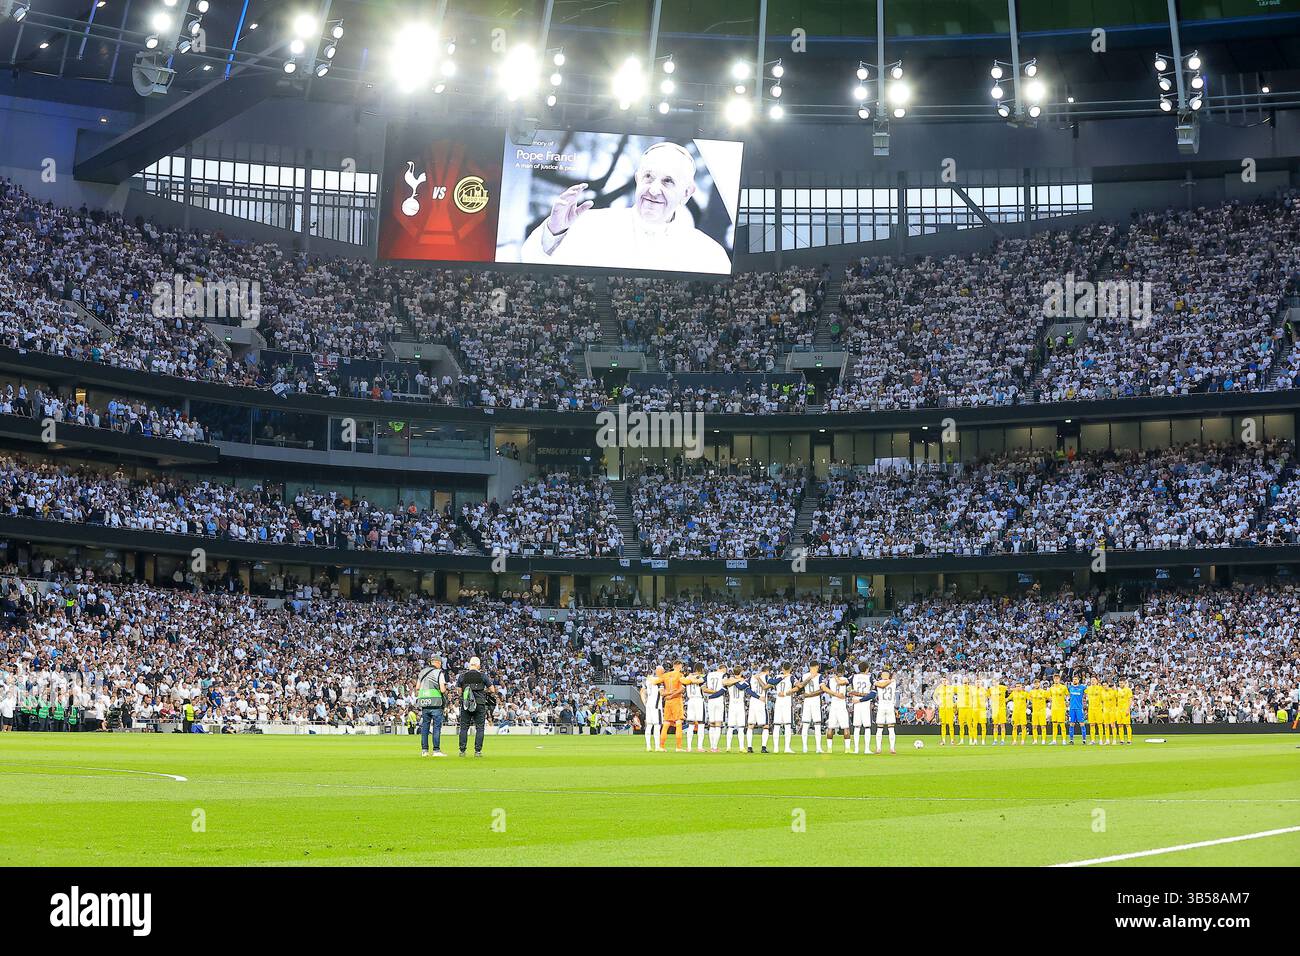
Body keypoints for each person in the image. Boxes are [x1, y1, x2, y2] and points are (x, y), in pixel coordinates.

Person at [518, 142, 732, 273]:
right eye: (648, 177)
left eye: (668, 181)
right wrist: (554, 231)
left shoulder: (709, 254)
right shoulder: (592, 225)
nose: (654, 190)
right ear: (638, 178)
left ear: (686, 193)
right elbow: (530, 263)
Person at [456, 657, 496, 757]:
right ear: (478, 665)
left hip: (466, 704)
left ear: (470, 665)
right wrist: (483, 691)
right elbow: (492, 690)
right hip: (480, 703)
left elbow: (459, 691)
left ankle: (462, 750)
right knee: (480, 728)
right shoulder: (483, 676)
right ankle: (477, 751)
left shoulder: (462, 676)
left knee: (464, 727)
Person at [416, 655, 448, 757]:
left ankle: (424, 750)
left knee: (425, 726)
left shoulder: (422, 672)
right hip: (436, 703)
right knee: (436, 727)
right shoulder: (439, 673)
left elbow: (417, 687)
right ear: (438, 662)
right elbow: (442, 690)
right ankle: (436, 750)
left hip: (425, 703)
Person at [873, 669, 898, 755]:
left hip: (886, 706)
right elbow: (883, 684)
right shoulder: (893, 682)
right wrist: (890, 679)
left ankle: (891, 748)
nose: (883, 675)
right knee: (882, 728)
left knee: (889, 728)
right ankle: (880, 748)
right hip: (884, 706)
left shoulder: (878, 682)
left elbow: (881, 685)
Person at [641, 665, 664, 752]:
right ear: (659, 671)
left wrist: (644, 703)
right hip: (656, 705)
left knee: (649, 725)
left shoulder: (648, 680)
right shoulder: (659, 681)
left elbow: (642, 692)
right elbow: (661, 693)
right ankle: (657, 747)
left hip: (649, 704)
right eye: (662, 671)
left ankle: (648, 746)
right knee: (657, 725)